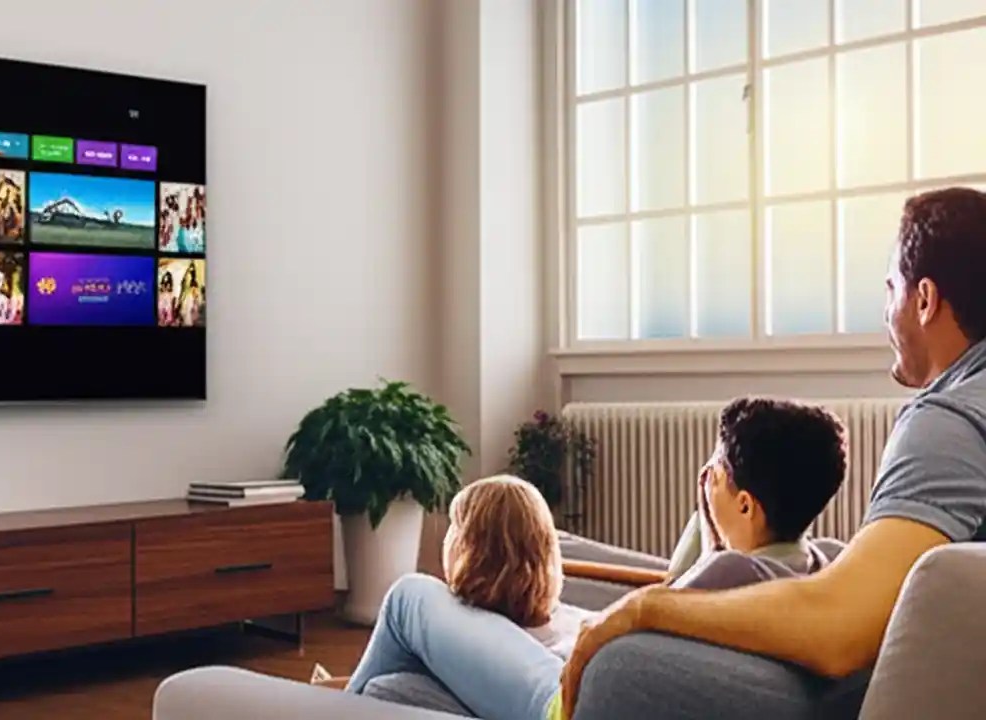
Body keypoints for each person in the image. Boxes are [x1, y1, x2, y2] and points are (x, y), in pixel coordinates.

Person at [560, 186, 986, 719]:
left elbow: (841, 630)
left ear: (924, 300)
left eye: (890, 289)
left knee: (619, 670)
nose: (885, 311)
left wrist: (646, 608)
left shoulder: (950, 420)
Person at [345, 397, 849, 720]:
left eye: (717, 468)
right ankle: (346, 703)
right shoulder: (811, 569)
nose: (707, 475)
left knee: (411, 596)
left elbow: (642, 625)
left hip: (562, 697)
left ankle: (325, 708)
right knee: (395, 688)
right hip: (583, 688)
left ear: (746, 505)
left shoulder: (730, 572)